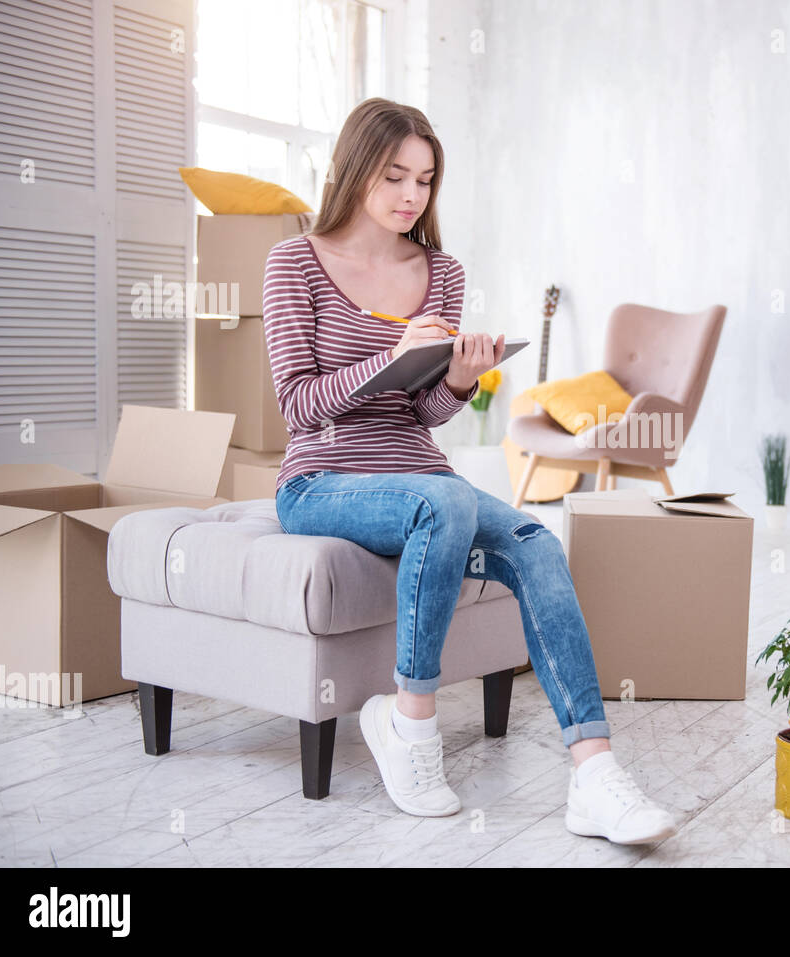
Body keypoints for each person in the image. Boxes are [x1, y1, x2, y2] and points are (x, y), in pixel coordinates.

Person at [261, 98, 676, 846]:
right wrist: (388, 357)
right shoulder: (294, 262)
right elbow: (297, 405)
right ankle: (410, 722)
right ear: (354, 168)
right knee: (443, 504)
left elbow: (422, 415)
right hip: (321, 480)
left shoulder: (442, 272)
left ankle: (593, 772)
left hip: (417, 477)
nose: (411, 195)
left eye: (425, 180)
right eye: (395, 176)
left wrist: (458, 379)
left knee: (537, 541)